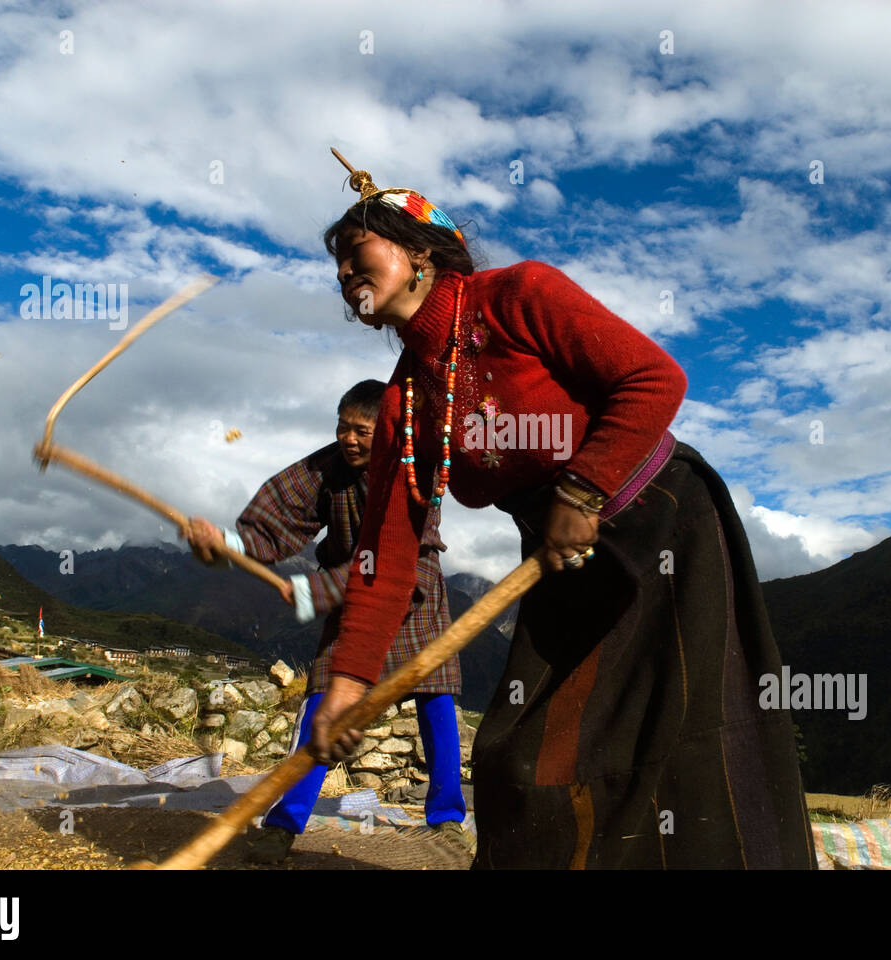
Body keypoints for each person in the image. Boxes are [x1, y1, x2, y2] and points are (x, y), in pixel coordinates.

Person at [308, 157, 817, 869]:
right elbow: (387, 555)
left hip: (661, 527)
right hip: (558, 557)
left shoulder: (519, 294)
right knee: (521, 756)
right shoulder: (404, 404)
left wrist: (582, 492)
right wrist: (350, 685)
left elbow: (654, 379)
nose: (344, 276)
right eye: (336, 267)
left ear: (418, 250)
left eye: (356, 255)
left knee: (689, 743)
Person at [186, 380, 468, 862]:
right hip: (351, 602)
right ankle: (284, 823)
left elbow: (394, 558)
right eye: (343, 428)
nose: (350, 439)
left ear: (388, 431)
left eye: (362, 431)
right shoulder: (327, 468)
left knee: (434, 700)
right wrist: (228, 545)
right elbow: (272, 523)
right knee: (322, 707)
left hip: (413, 592)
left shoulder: (414, 472)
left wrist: (313, 591)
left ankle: (448, 819)